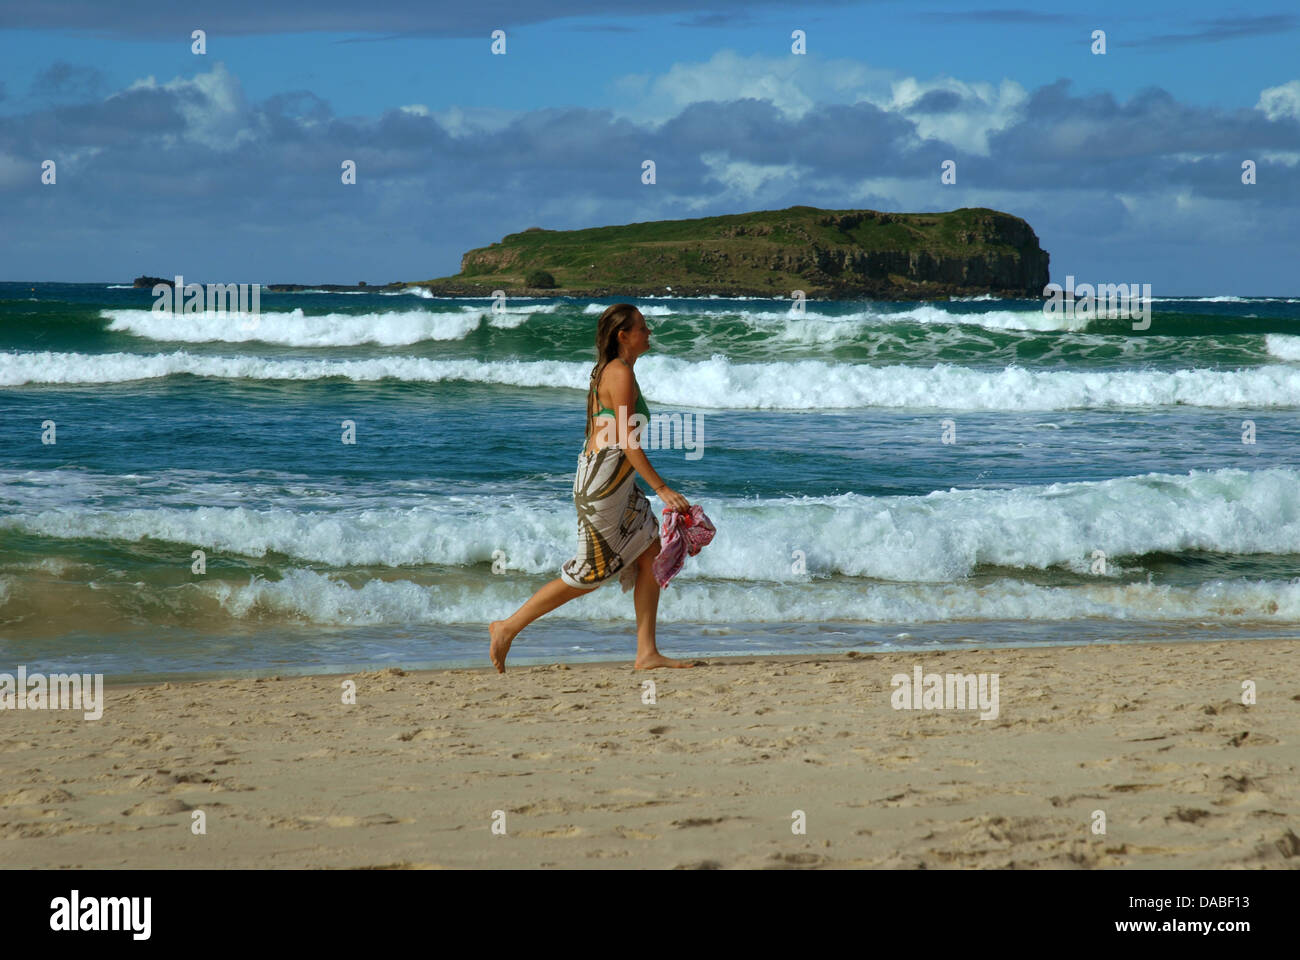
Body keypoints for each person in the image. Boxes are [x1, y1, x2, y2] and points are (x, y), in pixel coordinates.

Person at [489, 303, 698, 672]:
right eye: (643, 328)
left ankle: (646, 653)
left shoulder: (611, 371)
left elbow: (601, 436)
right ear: (624, 335)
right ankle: (507, 627)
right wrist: (661, 489)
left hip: (612, 482)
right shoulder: (619, 374)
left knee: (651, 549)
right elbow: (627, 441)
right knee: (590, 573)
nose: (649, 334)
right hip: (603, 487)